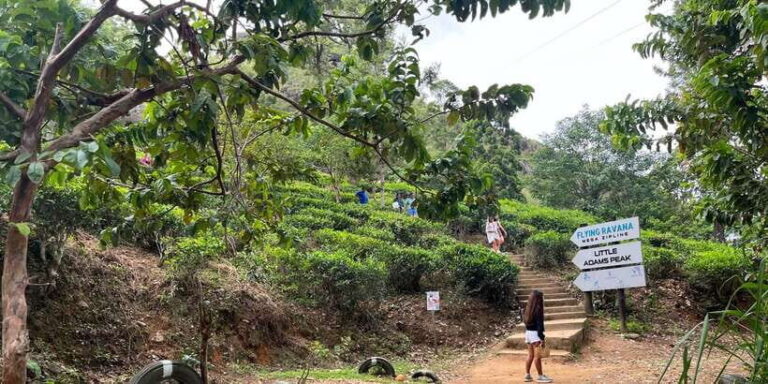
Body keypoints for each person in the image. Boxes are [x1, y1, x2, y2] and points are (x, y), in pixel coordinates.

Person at [523, 290, 553, 383]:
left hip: (528, 333)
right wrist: (542, 338)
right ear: (538, 299)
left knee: (530, 355)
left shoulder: (527, 309)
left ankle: (527, 375)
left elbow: (526, 323)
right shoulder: (538, 309)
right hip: (535, 334)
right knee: (537, 356)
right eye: (541, 297)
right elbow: (540, 326)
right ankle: (540, 376)